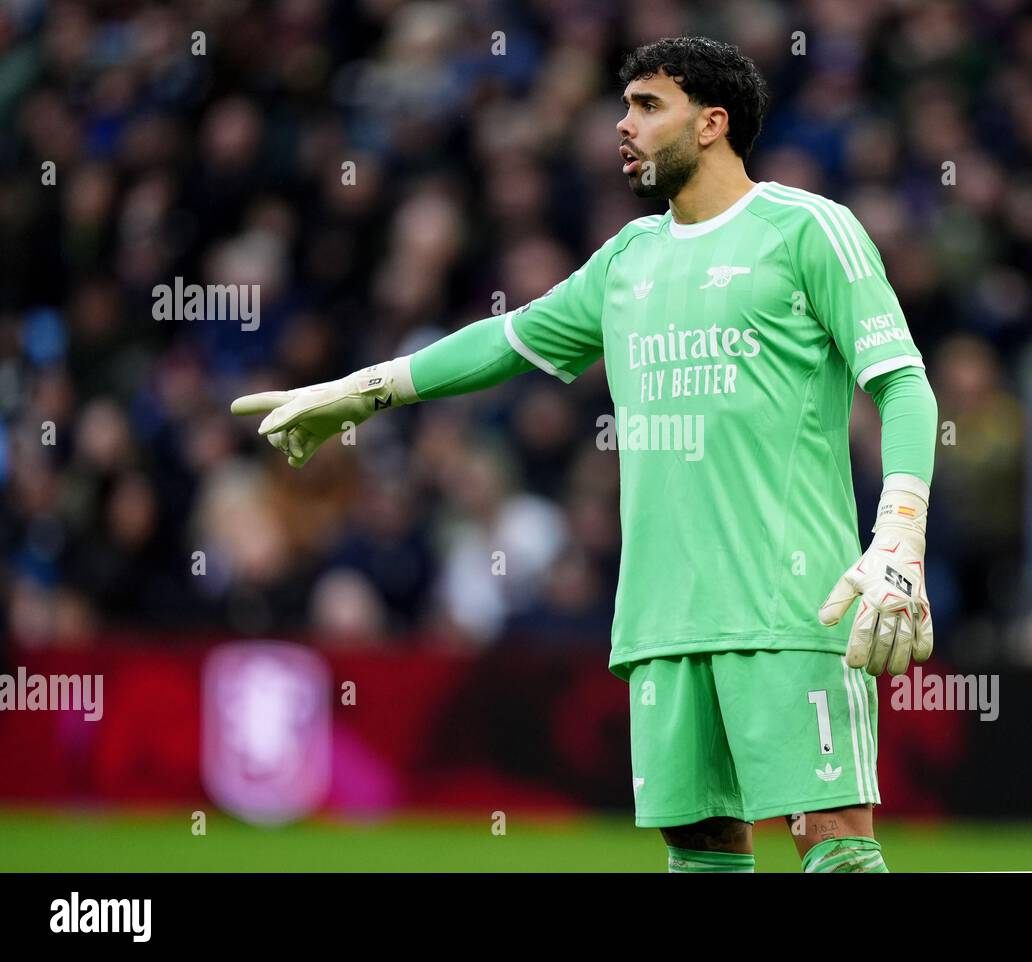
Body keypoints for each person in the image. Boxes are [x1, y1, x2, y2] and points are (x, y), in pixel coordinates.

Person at [232, 36, 939, 874]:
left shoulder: (807, 230)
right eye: (624, 106)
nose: (623, 125)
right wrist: (358, 392)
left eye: (647, 106)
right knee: (703, 857)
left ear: (712, 123)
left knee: (837, 852)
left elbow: (903, 386)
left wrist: (898, 533)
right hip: (661, 620)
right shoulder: (626, 262)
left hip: (793, 606)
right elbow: (503, 341)